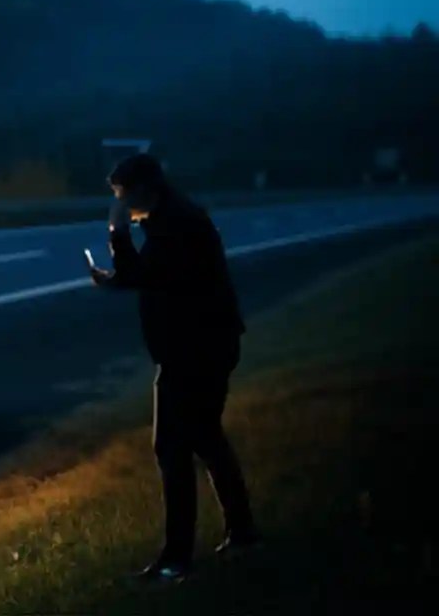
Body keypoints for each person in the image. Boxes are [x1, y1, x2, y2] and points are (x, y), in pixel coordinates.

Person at [88, 153, 260, 581]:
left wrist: (117, 234)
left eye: (123, 194)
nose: (121, 204)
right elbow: (153, 276)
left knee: (172, 447)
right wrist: (116, 277)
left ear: (145, 188)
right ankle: (241, 532)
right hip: (202, 345)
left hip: (194, 350)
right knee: (205, 437)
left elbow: (151, 275)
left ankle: (177, 556)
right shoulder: (172, 220)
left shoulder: (177, 225)